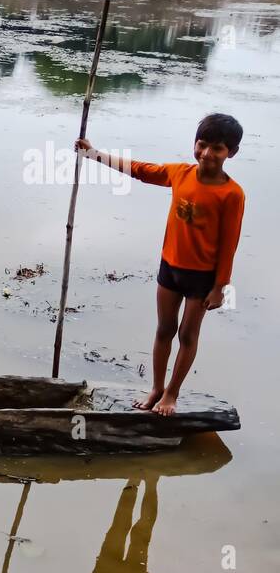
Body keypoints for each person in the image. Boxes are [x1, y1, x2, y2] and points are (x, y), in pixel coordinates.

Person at [76, 113, 246, 416]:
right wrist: (94, 154)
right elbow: (140, 170)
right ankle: (156, 387)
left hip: (201, 276)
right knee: (164, 329)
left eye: (217, 149)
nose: (207, 154)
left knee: (187, 336)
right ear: (195, 144)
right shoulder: (180, 173)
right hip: (170, 267)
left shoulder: (231, 194)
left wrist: (220, 286)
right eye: (202, 145)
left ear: (231, 153)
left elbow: (229, 244)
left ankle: (171, 393)